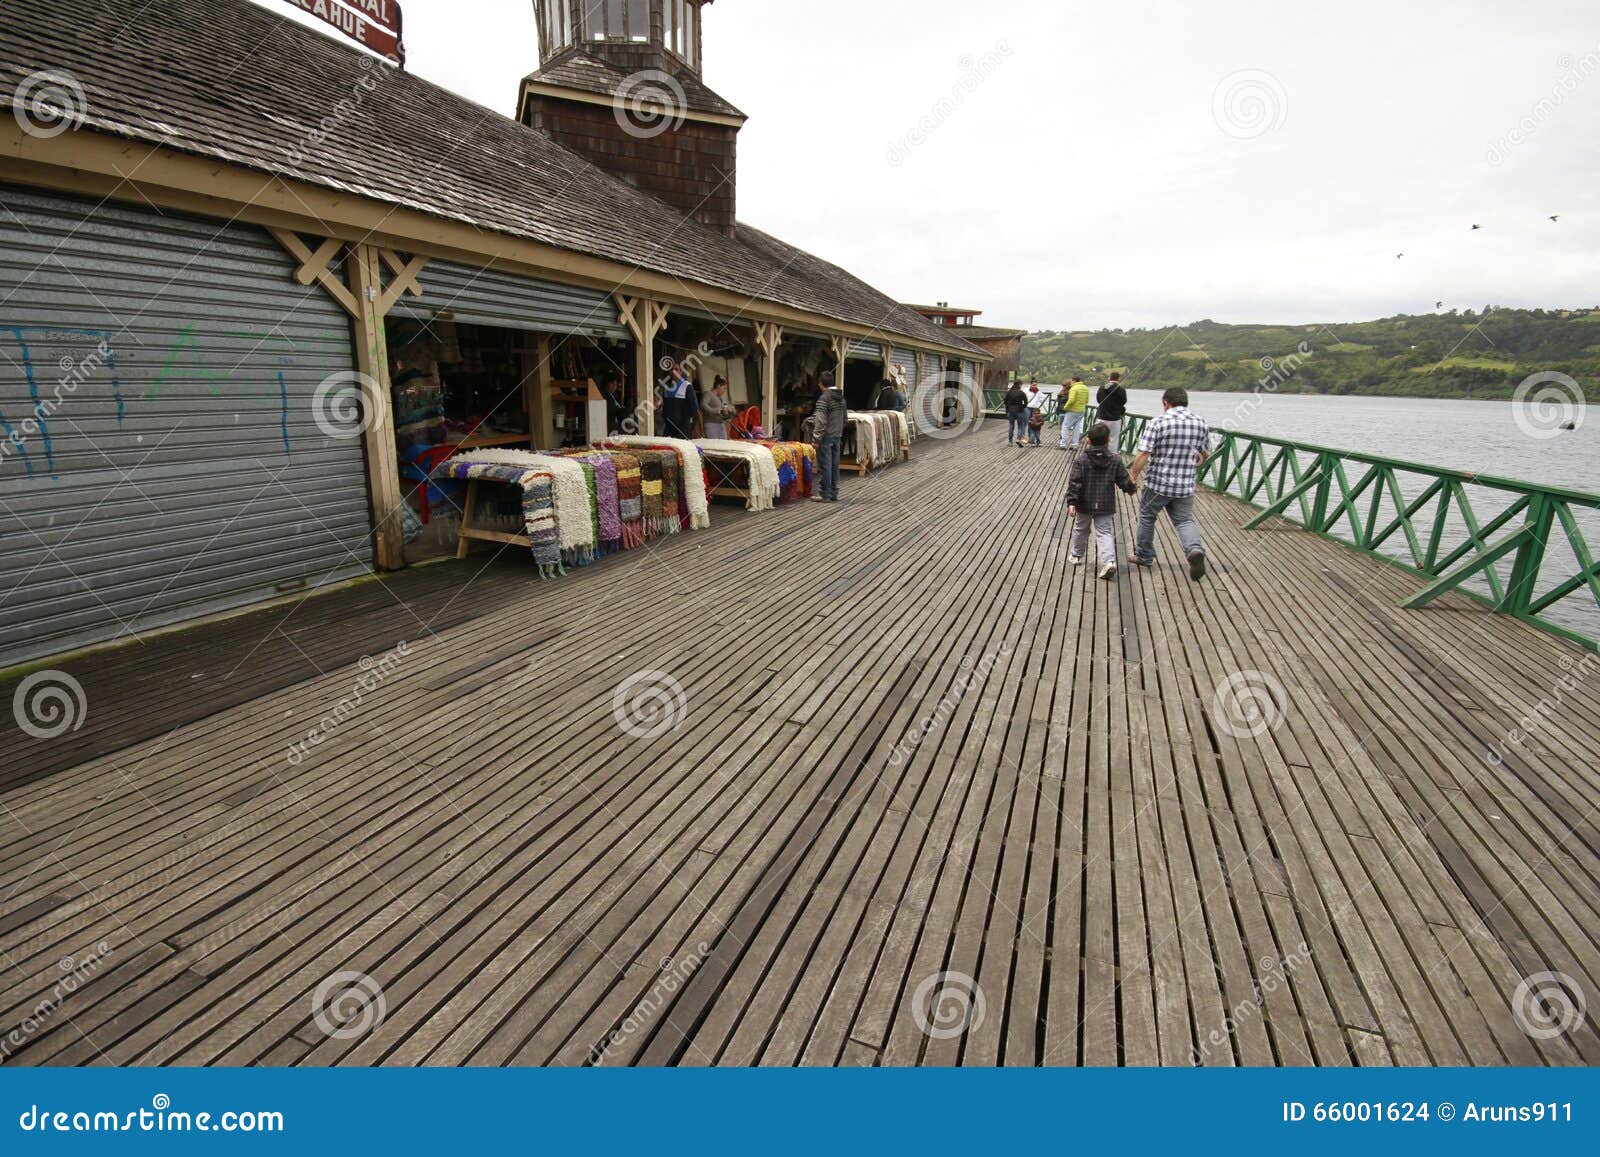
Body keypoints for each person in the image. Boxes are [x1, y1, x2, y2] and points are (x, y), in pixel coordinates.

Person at [1129, 387, 1211, 580]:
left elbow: (1144, 453)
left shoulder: (1159, 422)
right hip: (1185, 485)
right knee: (1185, 520)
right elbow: (1204, 455)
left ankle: (1144, 555)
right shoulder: (1200, 423)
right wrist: (1190, 468)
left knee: (1147, 516)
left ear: (1166, 402)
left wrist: (1133, 475)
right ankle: (1194, 549)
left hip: (1158, 483)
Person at [1067, 421, 1138, 580]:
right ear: (1108, 440)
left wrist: (1072, 503)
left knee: (1081, 529)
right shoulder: (1115, 459)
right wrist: (1131, 489)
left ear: (1089, 441)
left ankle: (1076, 555)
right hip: (1105, 503)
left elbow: (1075, 483)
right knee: (1104, 532)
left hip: (1084, 503)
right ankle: (1109, 561)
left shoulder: (1081, 460)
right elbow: (1123, 479)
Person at [812, 370, 847, 503]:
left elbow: (820, 421)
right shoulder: (841, 398)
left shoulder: (824, 398)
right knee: (834, 465)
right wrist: (838, 431)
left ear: (821, 384)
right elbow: (845, 418)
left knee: (825, 465)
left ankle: (824, 494)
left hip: (826, 436)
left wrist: (816, 438)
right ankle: (833, 493)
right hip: (837, 435)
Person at [660, 359, 698, 439]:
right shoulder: (666, 388)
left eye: (676, 369)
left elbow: (695, 408)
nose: (673, 371)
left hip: (683, 428)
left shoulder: (687, 386)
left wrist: (694, 427)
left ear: (681, 372)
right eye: (671, 370)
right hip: (669, 427)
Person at [1095, 371, 1128, 453]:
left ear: (1109, 378)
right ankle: (1112, 456)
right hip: (1115, 418)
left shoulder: (1102, 388)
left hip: (1102, 416)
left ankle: (1098, 453)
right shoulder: (1121, 390)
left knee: (1099, 437)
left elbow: (1099, 400)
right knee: (1114, 438)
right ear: (1118, 378)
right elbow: (1123, 401)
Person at [1058, 375, 1090, 449]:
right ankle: (1075, 445)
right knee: (1077, 427)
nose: (1071, 382)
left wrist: (1066, 407)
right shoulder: (1085, 388)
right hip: (1081, 410)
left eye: (1071, 381)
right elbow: (1087, 400)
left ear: (1074, 380)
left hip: (1072, 410)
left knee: (1065, 426)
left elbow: (1071, 400)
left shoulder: (1074, 388)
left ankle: (1063, 444)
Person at [702, 374, 736, 439]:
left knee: (724, 443)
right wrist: (714, 410)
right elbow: (703, 404)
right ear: (718, 386)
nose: (724, 391)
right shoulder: (708, 393)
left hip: (720, 424)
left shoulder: (721, 398)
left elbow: (724, 408)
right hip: (711, 424)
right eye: (724, 388)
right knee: (714, 444)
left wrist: (730, 409)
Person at [599, 370, 627, 435]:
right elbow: (610, 410)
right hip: (609, 426)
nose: (614, 386)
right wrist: (619, 410)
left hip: (616, 425)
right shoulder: (603, 396)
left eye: (616, 384)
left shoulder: (615, 396)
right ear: (606, 384)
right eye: (612, 384)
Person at [1003, 380, 1028, 445]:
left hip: (1011, 411)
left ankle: (1010, 442)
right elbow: (1026, 403)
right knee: (1020, 426)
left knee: (1011, 426)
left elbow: (1005, 402)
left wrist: (1008, 409)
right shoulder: (1021, 393)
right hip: (1019, 411)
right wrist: (1022, 407)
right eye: (1021, 385)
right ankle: (1018, 439)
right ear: (1019, 384)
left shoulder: (1009, 392)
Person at [1024, 382, 1049, 446]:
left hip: (1035, 408)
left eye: (1036, 385)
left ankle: (1033, 439)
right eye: (1034, 385)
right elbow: (1023, 396)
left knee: (1035, 422)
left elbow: (1044, 397)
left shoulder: (1038, 391)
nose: (1035, 386)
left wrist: (1038, 400)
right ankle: (1030, 438)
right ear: (1030, 384)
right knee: (1029, 422)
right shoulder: (1026, 389)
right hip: (1028, 407)